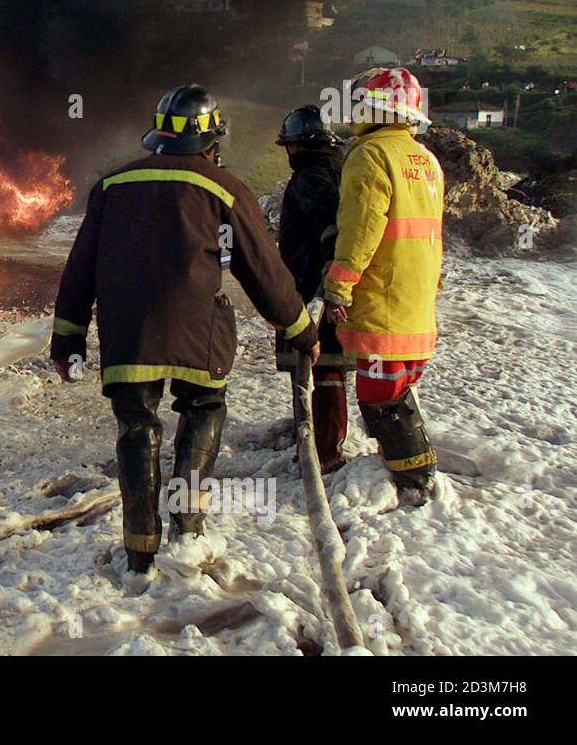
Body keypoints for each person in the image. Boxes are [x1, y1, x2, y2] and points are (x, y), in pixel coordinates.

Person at [51, 85, 320, 574]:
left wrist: (67, 340)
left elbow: (79, 270)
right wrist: (300, 329)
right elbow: (265, 274)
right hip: (201, 334)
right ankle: (188, 528)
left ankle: (139, 551)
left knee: (136, 426)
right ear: (212, 143)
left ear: (158, 139)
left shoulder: (112, 186)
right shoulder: (225, 189)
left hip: (128, 334)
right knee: (204, 408)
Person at [323, 68, 444, 505]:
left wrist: (340, 283)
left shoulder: (370, 155)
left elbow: (360, 229)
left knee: (379, 395)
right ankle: (403, 472)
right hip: (416, 303)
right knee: (397, 388)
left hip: (382, 302)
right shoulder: (425, 159)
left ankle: (415, 478)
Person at [274, 105, 351, 473]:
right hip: (328, 286)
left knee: (321, 366)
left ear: (300, 146)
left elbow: (330, 231)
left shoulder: (313, 175)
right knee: (320, 364)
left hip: (315, 288)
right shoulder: (339, 167)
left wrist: (328, 289)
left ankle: (323, 451)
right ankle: (314, 435)